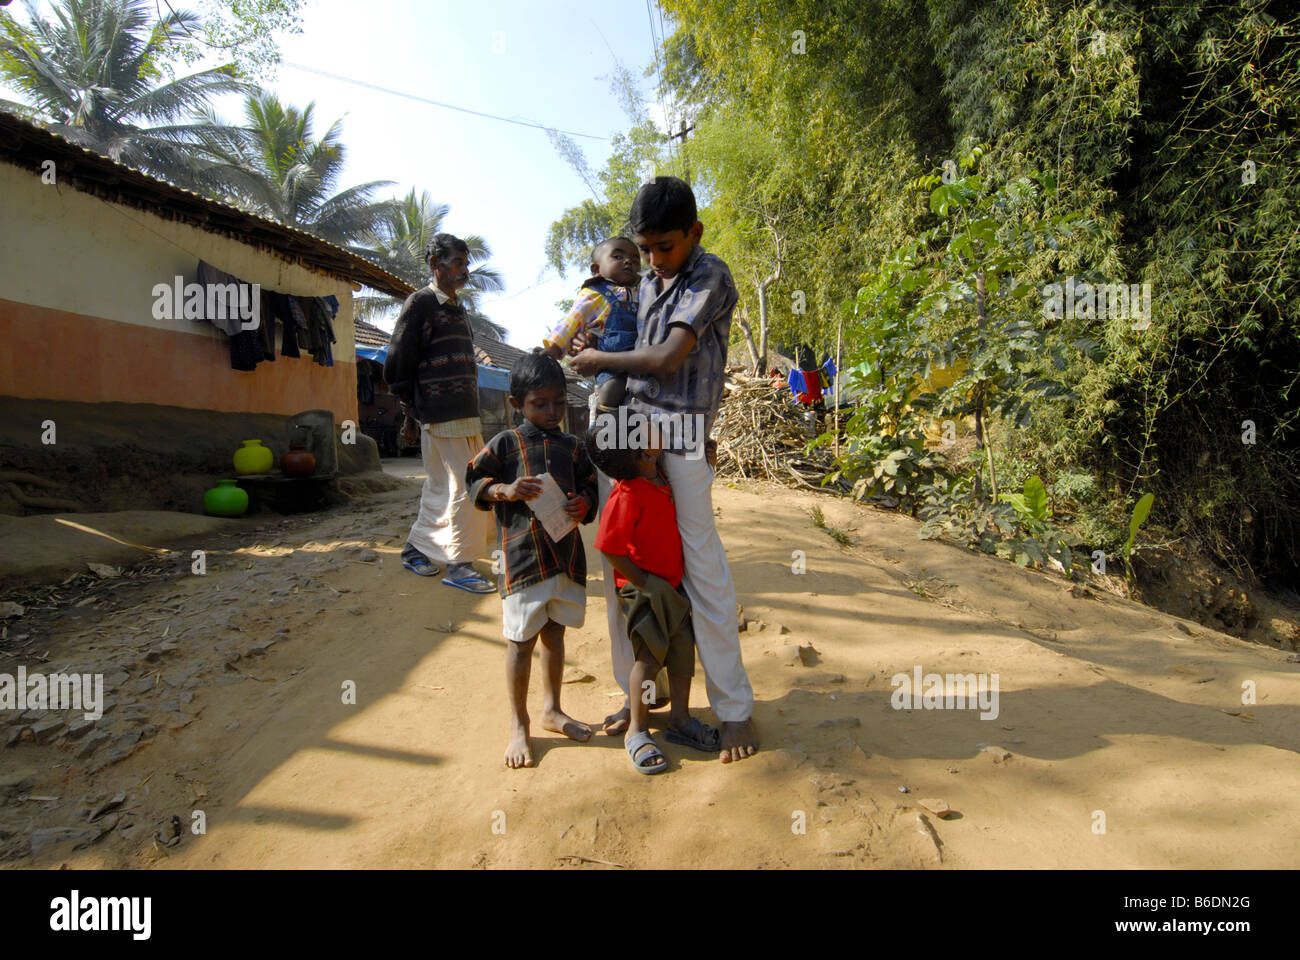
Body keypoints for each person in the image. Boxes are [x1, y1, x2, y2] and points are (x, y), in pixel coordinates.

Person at [571, 176, 758, 764]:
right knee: (627, 577)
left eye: (664, 247)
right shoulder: (649, 281)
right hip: (635, 433)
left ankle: (733, 711)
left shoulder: (711, 275)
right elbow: (636, 364)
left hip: (678, 436)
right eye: (645, 248)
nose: (653, 260)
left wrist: (597, 359)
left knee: (702, 570)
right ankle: (641, 709)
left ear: (695, 233)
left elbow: (666, 358)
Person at [466, 351, 599, 769]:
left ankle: (552, 709)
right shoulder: (506, 444)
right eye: (539, 404)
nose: (551, 411)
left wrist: (583, 504)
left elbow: (590, 488)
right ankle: (519, 723)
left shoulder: (572, 446)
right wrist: (503, 491)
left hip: (563, 556)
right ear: (516, 405)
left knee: (555, 635)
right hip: (523, 559)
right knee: (520, 641)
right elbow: (474, 479)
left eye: (558, 403)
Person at [586, 422, 721, 774]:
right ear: (629, 460)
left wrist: (707, 462)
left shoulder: (660, 474)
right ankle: (638, 730)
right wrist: (646, 584)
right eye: (645, 453)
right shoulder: (627, 493)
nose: (652, 454)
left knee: (680, 651)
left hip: (671, 587)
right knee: (648, 658)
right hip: (644, 589)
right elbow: (609, 549)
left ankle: (679, 719)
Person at [384, 233, 494, 593]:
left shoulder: (457, 307)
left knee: (440, 487)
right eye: (458, 263)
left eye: (466, 263)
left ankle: (415, 549)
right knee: (465, 487)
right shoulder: (421, 303)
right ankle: (459, 564)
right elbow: (400, 361)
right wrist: (409, 413)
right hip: (438, 412)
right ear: (435, 265)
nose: (465, 270)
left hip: (464, 412)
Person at [541, 236, 641, 411]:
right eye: (618, 257)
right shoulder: (595, 294)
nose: (628, 262)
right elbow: (573, 320)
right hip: (612, 364)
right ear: (597, 269)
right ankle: (603, 423)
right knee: (613, 389)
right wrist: (554, 349)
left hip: (641, 360)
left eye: (635, 259)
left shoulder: (644, 291)